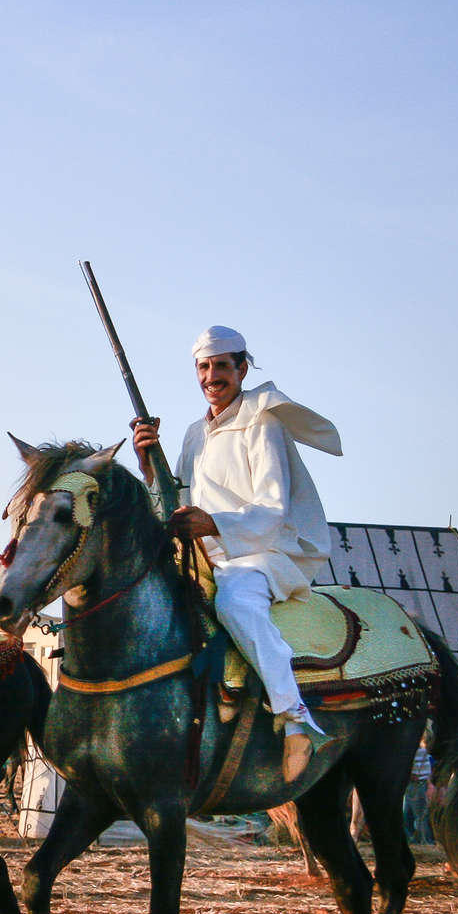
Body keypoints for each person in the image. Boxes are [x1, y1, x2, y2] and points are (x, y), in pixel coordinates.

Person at [132, 325, 342, 783]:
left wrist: (215, 523)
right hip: (205, 557)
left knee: (233, 601)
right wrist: (150, 466)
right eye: (203, 367)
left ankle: (295, 718)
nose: (211, 376)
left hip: (264, 552)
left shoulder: (262, 422)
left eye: (221, 366)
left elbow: (272, 508)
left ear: (242, 368)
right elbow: (173, 500)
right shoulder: (192, 434)